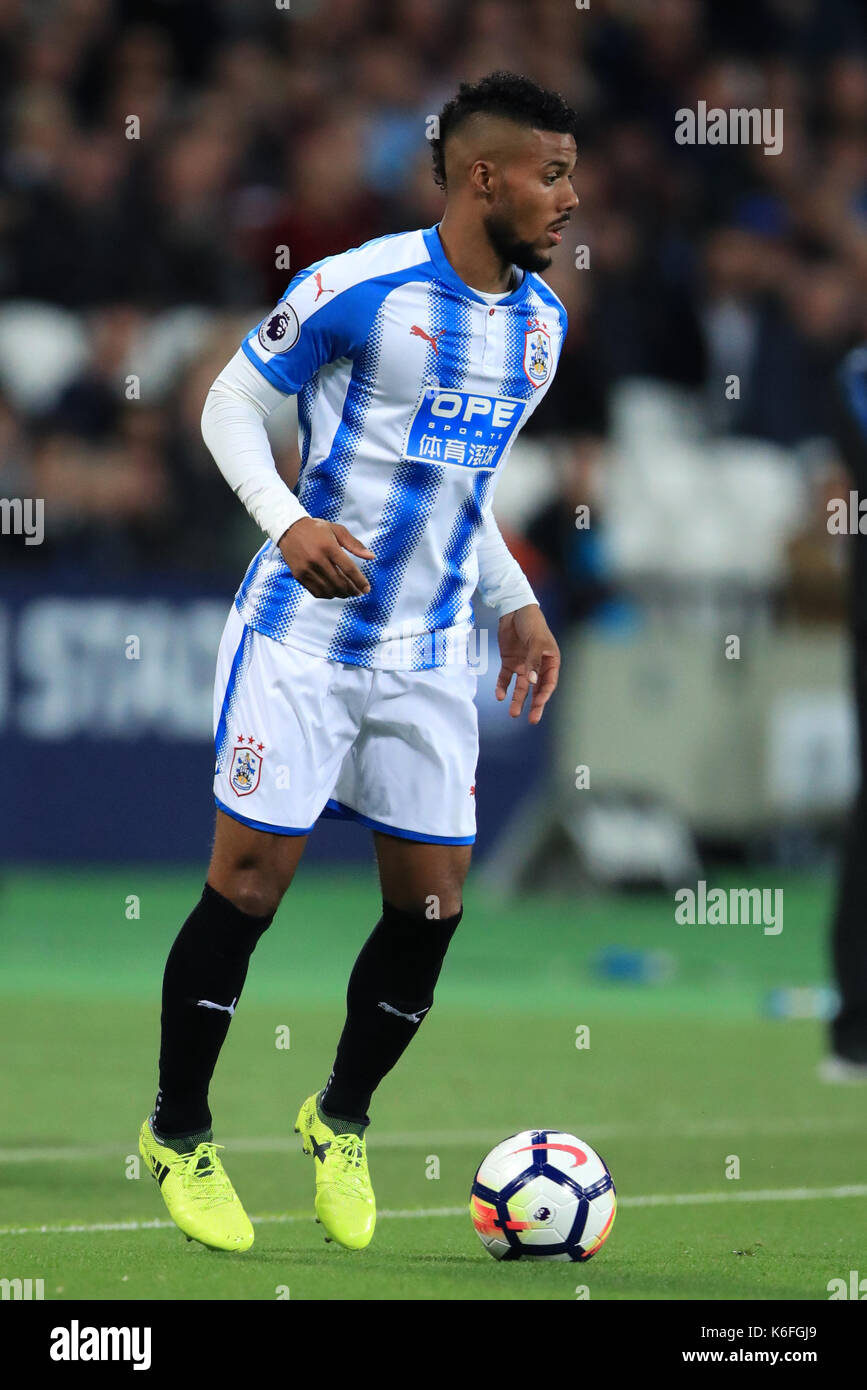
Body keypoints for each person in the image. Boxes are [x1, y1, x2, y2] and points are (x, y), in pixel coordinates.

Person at [138, 71, 577, 1251]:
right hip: (300, 637)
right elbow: (229, 402)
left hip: (428, 651)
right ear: (484, 176)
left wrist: (515, 602)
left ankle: (339, 1118)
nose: (569, 198)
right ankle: (177, 1131)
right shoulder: (358, 287)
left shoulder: (541, 329)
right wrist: (287, 522)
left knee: (432, 906)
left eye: (572, 173)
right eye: (551, 173)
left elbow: (455, 492)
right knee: (248, 886)